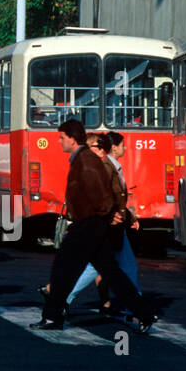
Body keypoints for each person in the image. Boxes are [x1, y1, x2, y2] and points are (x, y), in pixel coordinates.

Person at [32, 119, 156, 332]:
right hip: (92, 224)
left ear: (72, 138)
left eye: (62, 138)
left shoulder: (85, 161)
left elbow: (101, 194)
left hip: (88, 225)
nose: (59, 141)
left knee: (62, 270)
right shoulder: (83, 158)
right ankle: (144, 313)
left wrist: (103, 215)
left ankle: (52, 317)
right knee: (111, 273)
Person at [58, 131, 140, 313]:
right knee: (112, 267)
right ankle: (136, 307)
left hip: (110, 224)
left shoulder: (110, 167)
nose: (125, 148)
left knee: (102, 266)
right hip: (107, 225)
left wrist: (129, 217)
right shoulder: (105, 167)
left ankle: (62, 297)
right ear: (114, 148)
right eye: (122, 145)